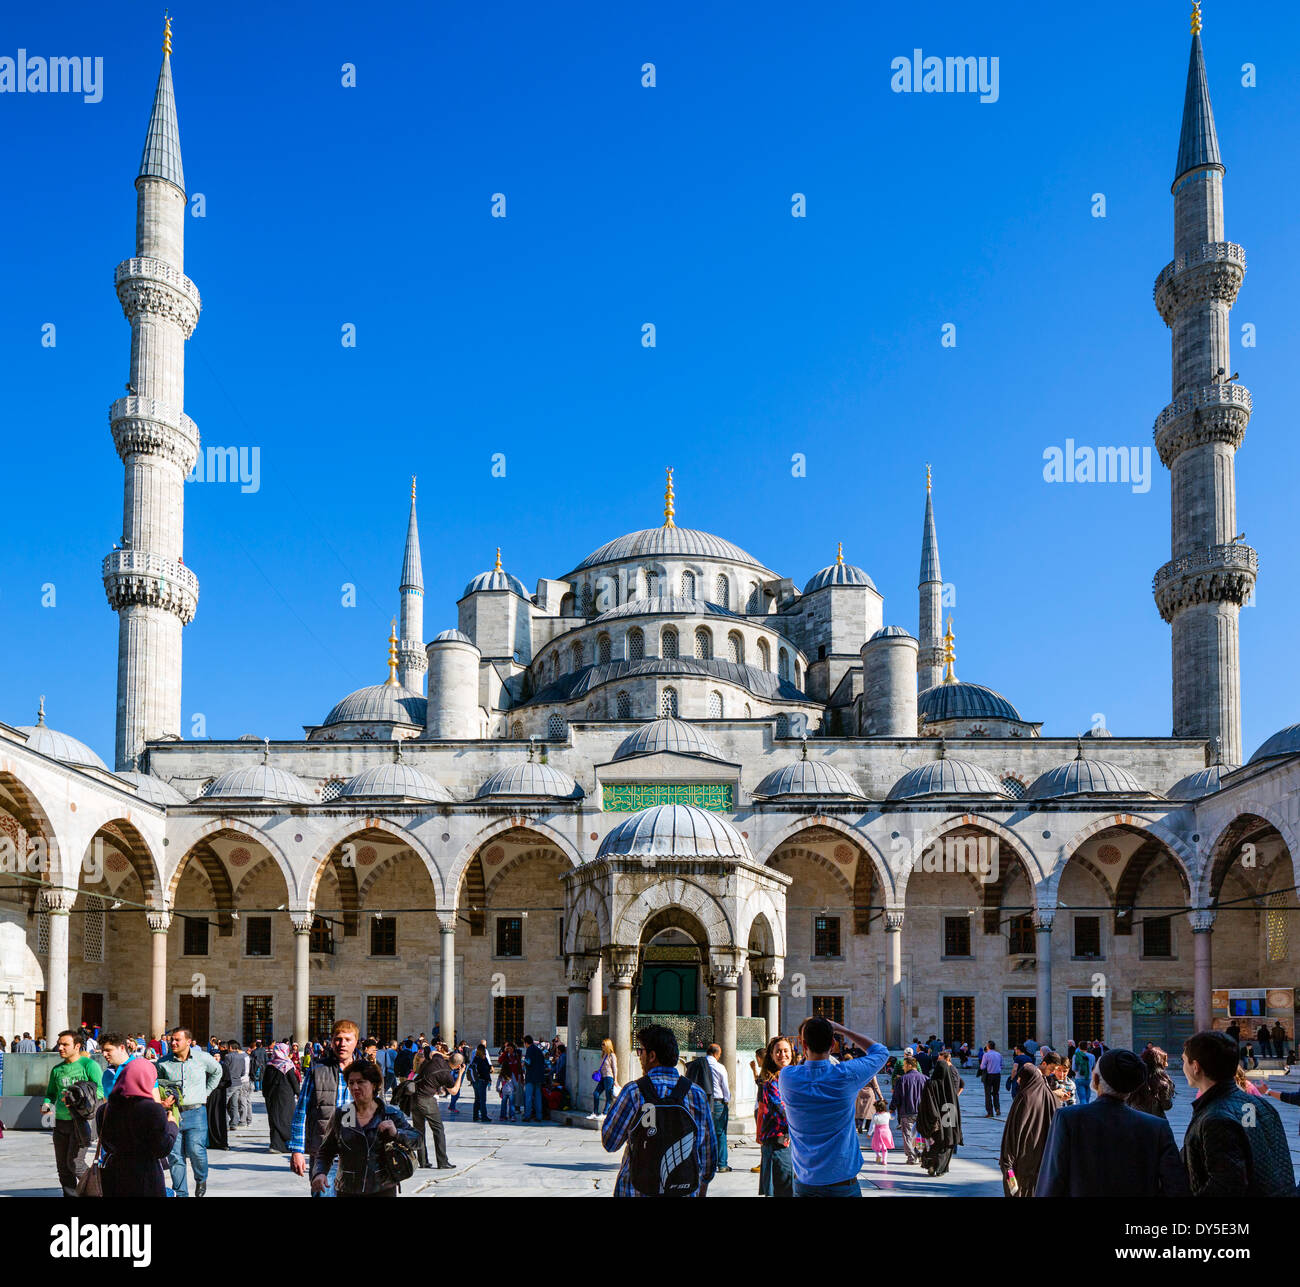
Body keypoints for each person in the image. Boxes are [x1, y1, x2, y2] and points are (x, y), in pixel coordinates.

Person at [1036, 1048, 1188, 1197]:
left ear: (1095, 1081)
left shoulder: (1068, 1119)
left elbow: (1051, 1183)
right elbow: (1175, 1186)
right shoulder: (1157, 1127)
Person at [601, 1024, 716, 1196]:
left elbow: (610, 1142)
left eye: (641, 1052)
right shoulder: (696, 1094)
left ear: (652, 1055)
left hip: (635, 1190)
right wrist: (702, 1184)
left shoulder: (633, 1092)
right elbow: (709, 1153)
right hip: (682, 1190)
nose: (640, 1057)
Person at [778, 1016, 888, 1197]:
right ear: (833, 1044)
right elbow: (881, 1052)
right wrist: (843, 1030)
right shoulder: (846, 1075)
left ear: (804, 1045)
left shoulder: (788, 1077)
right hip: (842, 1183)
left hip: (805, 1183)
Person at [1182, 1030, 1293, 1196]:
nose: (1183, 1066)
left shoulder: (1216, 1118)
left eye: (1184, 1061)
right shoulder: (1261, 1104)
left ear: (1195, 1067)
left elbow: (1225, 1185)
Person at [311, 1060, 421, 1197]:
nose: (355, 1087)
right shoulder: (342, 1114)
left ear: (374, 1085)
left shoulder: (390, 1114)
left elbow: (418, 1140)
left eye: (361, 1082)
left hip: (382, 1188)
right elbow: (325, 1151)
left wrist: (397, 1133)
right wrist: (320, 1173)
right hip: (347, 1189)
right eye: (351, 1083)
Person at [290, 1019, 360, 1197]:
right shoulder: (318, 1070)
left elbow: (380, 1112)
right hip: (324, 1155)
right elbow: (301, 1111)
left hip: (358, 1156)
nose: (342, 1044)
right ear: (331, 1041)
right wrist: (297, 1150)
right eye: (338, 1039)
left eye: (347, 1039)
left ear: (356, 1042)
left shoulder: (368, 1071)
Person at [95, 1056, 178, 1197]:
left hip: (115, 1175)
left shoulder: (105, 1109)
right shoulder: (152, 1110)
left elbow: (106, 1144)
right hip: (145, 1177)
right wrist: (172, 1126)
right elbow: (162, 1149)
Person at [155, 1027, 221, 1197]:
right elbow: (157, 1084)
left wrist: (205, 1092)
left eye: (177, 1040)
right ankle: (181, 1193)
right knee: (175, 1155)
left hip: (196, 1112)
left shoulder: (202, 1058)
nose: (173, 1043)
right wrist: (162, 1100)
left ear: (189, 1042)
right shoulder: (163, 1062)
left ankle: (201, 1178)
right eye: (172, 1040)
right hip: (174, 1113)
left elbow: (217, 1072)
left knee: (196, 1150)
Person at [42, 1029, 104, 1197]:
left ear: (77, 1046)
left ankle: (96, 1191)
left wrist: (78, 1099)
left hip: (81, 1122)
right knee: (63, 1168)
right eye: (59, 1044)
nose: (60, 1047)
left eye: (65, 1044)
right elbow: (51, 1093)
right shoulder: (57, 1070)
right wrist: (47, 1105)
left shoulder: (89, 1065)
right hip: (60, 1123)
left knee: (75, 1163)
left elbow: (99, 1092)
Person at [999, 1062, 1057, 1197]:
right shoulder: (1050, 1096)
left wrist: (1007, 1161)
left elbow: (1013, 1132)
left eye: (1021, 1077)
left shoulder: (1024, 1098)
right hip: (1043, 1160)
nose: (1018, 1081)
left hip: (1023, 1160)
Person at [755, 1035, 795, 1197]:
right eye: (778, 1051)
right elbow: (780, 1110)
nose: (782, 1055)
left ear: (792, 1053)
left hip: (788, 1140)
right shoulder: (771, 1081)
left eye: (786, 1051)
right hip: (778, 1141)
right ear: (771, 1055)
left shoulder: (791, 1076)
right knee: (782, 1189)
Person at [410, 1043, 456, 1168]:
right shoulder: (447, 1074)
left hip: (414, 1098)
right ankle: (442, 1162)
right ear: (457, 1066)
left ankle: (423, 1162)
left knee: (419, 1131)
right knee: (438, 1129)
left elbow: (432, 1052)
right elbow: (454, 1091)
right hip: (427, 1100)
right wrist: (461, 1073)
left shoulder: (436, 1059)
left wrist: (445, 1056)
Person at [917, 1049, 964, 1176]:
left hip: (935, 1117)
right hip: (949, 1115)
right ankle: (939, 1168)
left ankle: (932, 1164)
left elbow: (926, 1102)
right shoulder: (950, 1085)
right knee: (948, 1141)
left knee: (936, 1141)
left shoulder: (931, 1084)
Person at [262, 1042, 300, 1153]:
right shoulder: (287, 1065)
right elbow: (294, 1082)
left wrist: (266, 1095)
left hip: (272, 1097)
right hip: (286, 1097)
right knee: (286, 1119)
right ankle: (285, 1144)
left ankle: (275, 1145)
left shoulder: (270, 1065)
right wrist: (298, 1093)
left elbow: (265, 1083)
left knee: (275, 1119)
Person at [889, 1055, 927, 1165]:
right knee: (920, 1135)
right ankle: (920, 1154)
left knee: (908, 1135)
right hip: (922, 1111)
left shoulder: (902, 1079)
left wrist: (892, 1108)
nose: (903, 1068)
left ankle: (911, 1156)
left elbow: (896, 1096)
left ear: (910, 1065)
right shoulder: (925, 1078)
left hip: (907, 1111)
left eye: (905, 1066)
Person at [703, 1042, 732, 1172]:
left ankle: (705, 1163)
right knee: (720, 1134)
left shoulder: (699, 1065)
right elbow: (725, 1087)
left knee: (705, 1133)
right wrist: (727, 1101)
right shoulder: (720, 1067)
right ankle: (722, 1164)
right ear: (716, 1054)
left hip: (702, 1101)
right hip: (718, 1102)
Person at [1127, 1045, 1175, 1119]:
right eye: (1164, 1062)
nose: (1166, 1065)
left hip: (1134, 1121)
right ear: (1158, 1064)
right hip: (1156, 1122)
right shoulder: (1162, 1084)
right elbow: (1167, 1106)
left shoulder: (1133, 1079)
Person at [99, 1031, 138, 1096]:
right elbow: (107, 1102)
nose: (104, 1054)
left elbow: (154, 1102)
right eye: (103, 1051)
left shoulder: (139, 1069)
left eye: (108, 1050)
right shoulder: (106, 1074)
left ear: (122, 1048)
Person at [225, 1039, 252, 1131]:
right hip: (238, 1082)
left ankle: (226, 1123)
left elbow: (226, 1069)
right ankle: (234, 1123)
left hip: (230, 1083)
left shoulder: (228, 1056)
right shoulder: (242, 1057)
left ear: (230, 1047)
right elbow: (243, 1072)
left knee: (224, 1103)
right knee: (234, 1104)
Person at [521, 1034, 547, 1123]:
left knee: (528, 1097)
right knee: (538, 1097)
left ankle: (527, 1115)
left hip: (531, 1077)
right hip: (539, 1077)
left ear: (526, 1043)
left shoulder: (530, 1050)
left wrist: (523, 1063)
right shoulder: (538, 1050)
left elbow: (528, 1062)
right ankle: (539, 1116)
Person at [588, 1038, 617, 1118]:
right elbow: (603, 1066)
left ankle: (604, 1113)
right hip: (603, 1077)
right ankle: (595, 1112)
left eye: (603, 1044)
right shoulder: (603, 1054)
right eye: (602, 1044)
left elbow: (614, 1068)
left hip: (609, 1077)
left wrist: (616, 1080)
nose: (602, 1046)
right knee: (596, 1093)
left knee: (608, 1096)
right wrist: (597, 1071)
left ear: (608, 1045)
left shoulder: (612, 1055)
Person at [979, 1041, 1003, 1117]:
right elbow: (1002, 1065)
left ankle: (990, 1112)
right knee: (996, 1093)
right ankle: (997, 1109)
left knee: (988, 1094)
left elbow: (982, 1067)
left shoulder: (986, 1055)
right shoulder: (999, 1054)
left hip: (989, 1076)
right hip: (997, 1075)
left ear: (988, 1046)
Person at [470, 1042, 492, 1122]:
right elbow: (485, 1070)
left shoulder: (475, 1058)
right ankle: (484, 1116)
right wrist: (489, 1079)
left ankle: (475, 1116)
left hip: (475, 1081)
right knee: (482, 1100)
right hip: (482, 1081)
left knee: (477, 1099)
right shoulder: (482, 1059)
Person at [869, 1100, 893, 1165]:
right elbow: (892, 1117)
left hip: (878, 1132)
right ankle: (884, 1160)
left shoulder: (875, 1116)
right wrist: (892, 1113)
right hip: (886, 1132)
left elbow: (872, 1126)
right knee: (884, 1147)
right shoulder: (887, 1114)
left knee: (876, 1145)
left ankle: (878, 1155)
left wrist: (869, 1133)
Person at [1070, 1041, 1095, 1105]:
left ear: (1079, 1047)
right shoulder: (1092, 1056)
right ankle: (1087, 1110)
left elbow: (1073, 1068)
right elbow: (1093, 1067)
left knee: (1082, 1098)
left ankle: (1084, 1111)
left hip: (1079, 1078)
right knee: (1087, 1098)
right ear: (1087, 1047)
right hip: (1089, 1078)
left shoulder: (1076, 1056)